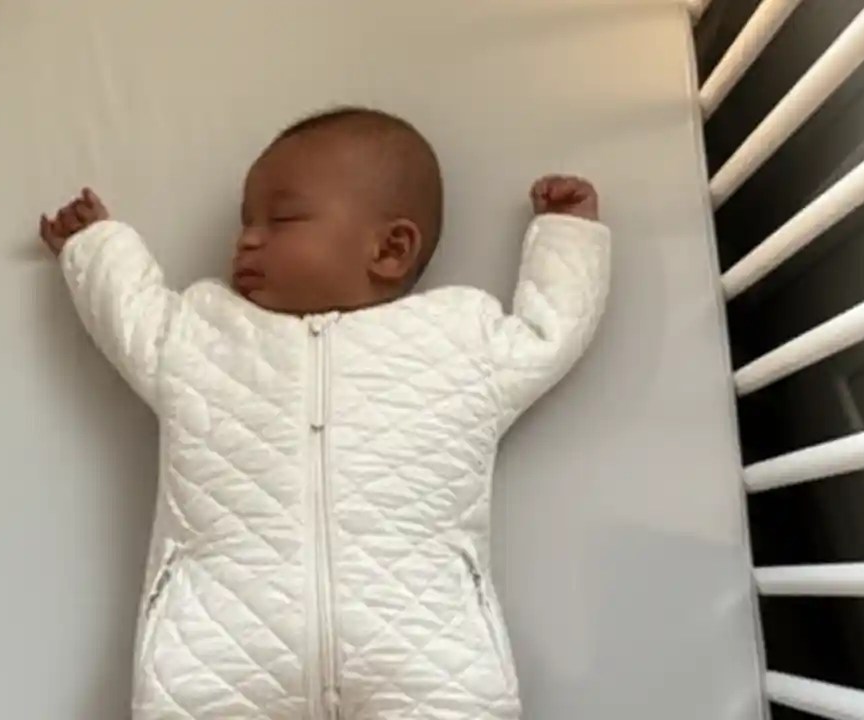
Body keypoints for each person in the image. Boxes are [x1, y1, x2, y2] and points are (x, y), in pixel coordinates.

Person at [39, 107, 611, 720]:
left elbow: (547, 334)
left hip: (425, 646)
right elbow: (135, 321)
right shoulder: (204, 334)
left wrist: (566, 235)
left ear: (390, 249)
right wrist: (97, 248)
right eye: (246, 221)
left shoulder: (459, 337)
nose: (247, 239)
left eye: (281, 219)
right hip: (218, 649)